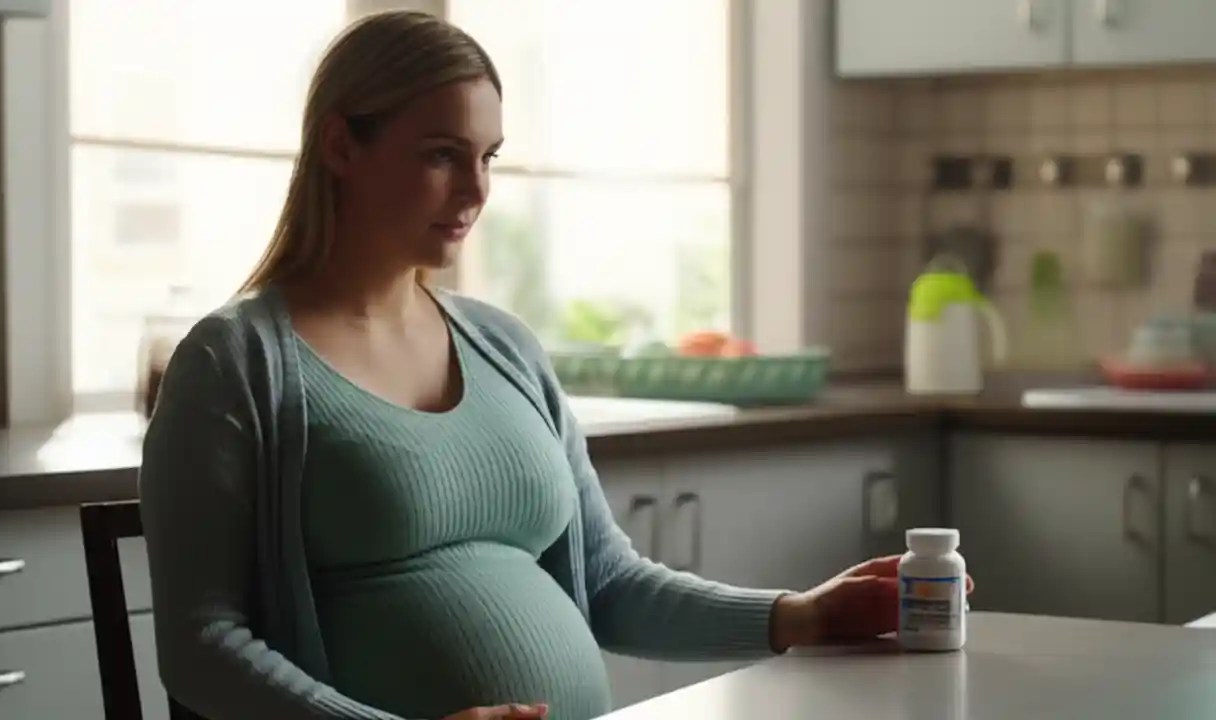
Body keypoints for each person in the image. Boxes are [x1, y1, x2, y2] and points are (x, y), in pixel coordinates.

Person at [138, 11, 922, 720]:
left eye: (489, 157)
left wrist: (800, 615)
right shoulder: (236, 363)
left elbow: (608, 584)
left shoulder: (503, 347)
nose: (477, 189)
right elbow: (201, 646)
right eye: (443, 156)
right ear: (342, 145)